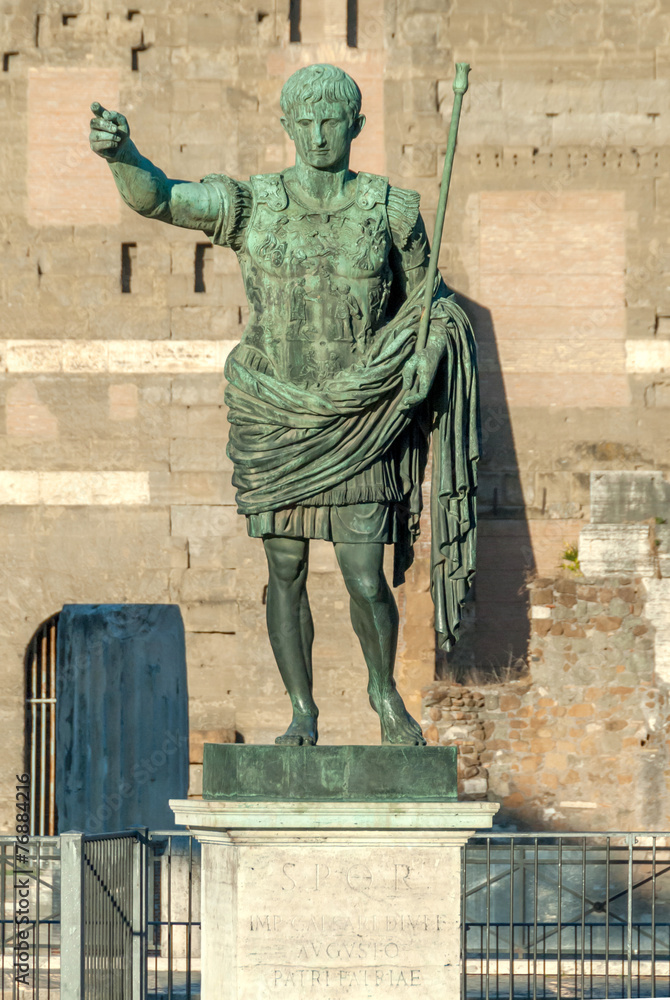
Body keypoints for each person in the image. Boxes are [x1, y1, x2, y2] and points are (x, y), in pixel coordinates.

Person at [89, 63, 479, 747]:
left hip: (363, 417)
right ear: (287, 126)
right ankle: (302, 712)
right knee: (286, 569)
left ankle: (384, 694)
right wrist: (122, 154)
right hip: (274, 413)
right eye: (306, 121)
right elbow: (160, 200)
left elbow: (430, 306)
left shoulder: (393, 210)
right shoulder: (252, 204)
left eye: (333, 121)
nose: (320, 133)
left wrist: (427, 355)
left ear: (356, 126)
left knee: (364, 575)